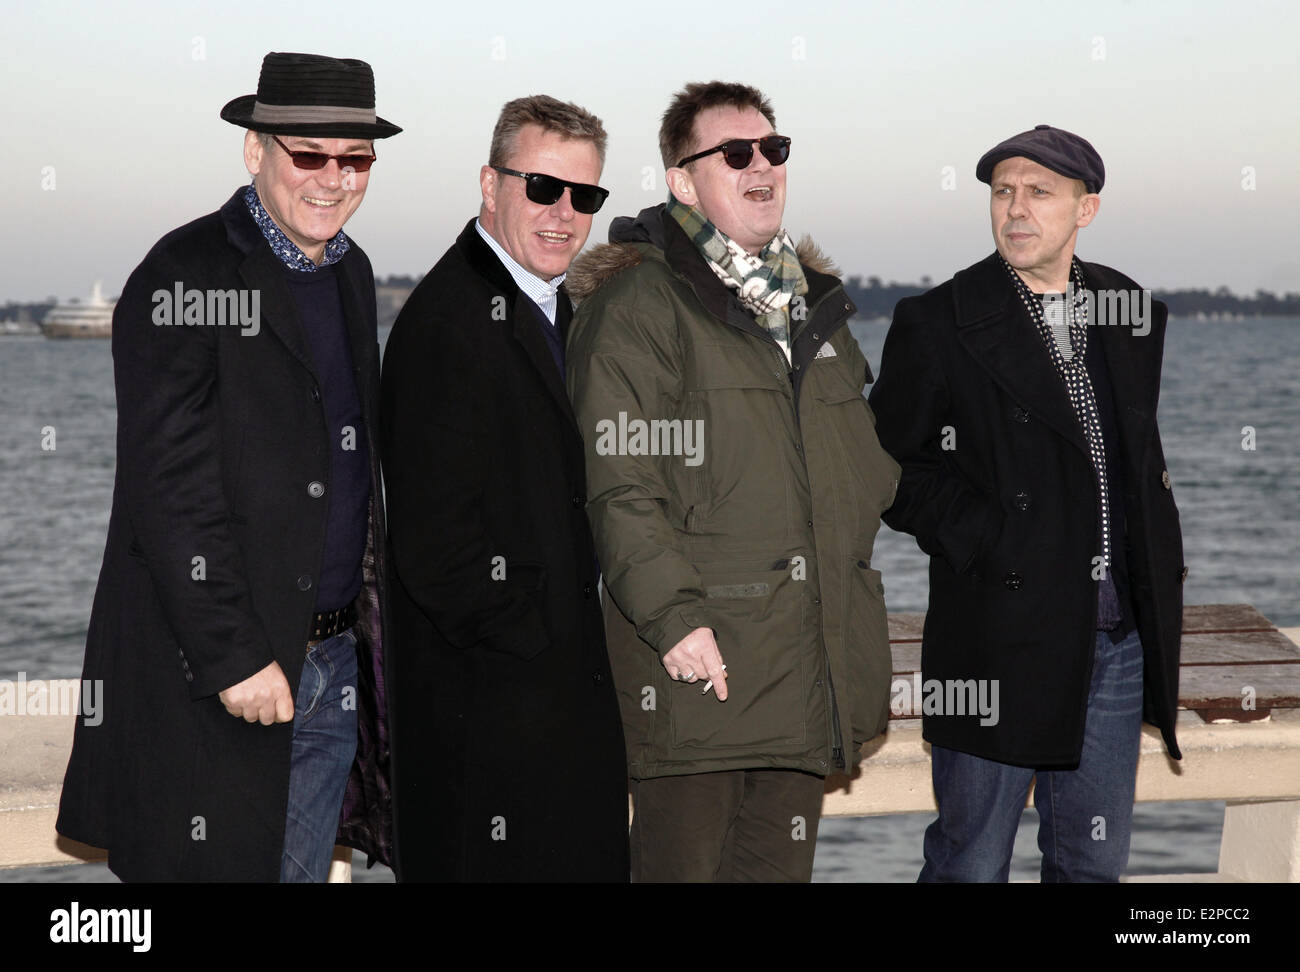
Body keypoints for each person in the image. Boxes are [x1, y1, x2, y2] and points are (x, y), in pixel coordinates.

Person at [56, 52, 399, 882]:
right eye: (309, 154)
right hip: (217, 679)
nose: (334, 178)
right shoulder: (185, 273)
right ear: (256, 151)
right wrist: (233, 658)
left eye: (355, 158)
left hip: (330, 664)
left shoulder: (350, 271)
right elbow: (167, 489)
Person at [565, 81, 900, 882]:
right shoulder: (640, 305)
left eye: (774, 150)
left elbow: (863, 474)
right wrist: (675, 620)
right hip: (700, 683)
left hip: (803, 675)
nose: (762, 167)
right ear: (682, 181)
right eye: (736, 153)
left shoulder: (815, 307)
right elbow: (620, 484)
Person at [867, 125, 1186, 882]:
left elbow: (1134, 458)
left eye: (1040, 193)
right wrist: (987, 537)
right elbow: (887, 464)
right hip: (997, 639)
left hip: (1114, 641)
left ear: (1087, 209)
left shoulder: (1127, 308)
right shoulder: (939, 320)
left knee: (1092, 865)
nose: (1016, 210)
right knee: (971, 865)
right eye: (1003, 191)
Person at [380, 95, 629, 882]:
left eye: (585, 195)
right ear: (490, 185)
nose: (564, 213)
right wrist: (538, 640)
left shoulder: (563, 308)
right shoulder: (446, 322)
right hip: (489, 724)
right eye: (542, 188)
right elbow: (433, 549)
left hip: (556, 713)